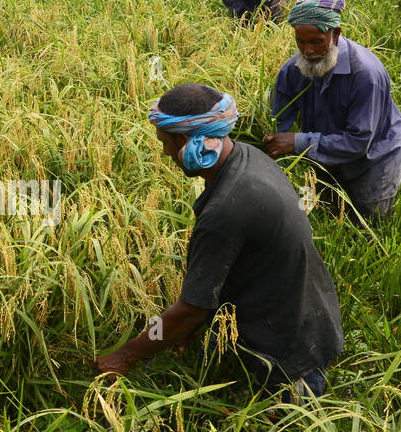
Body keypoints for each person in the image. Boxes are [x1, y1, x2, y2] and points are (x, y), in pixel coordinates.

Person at [93, 82, 343, 402]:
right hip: (310, 314)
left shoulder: (226, 209)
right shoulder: (247, 157)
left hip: (290, 357)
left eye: (166, 143)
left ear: (185, 141)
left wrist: (125, 356)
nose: (165, 153)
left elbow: (190, 310)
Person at [263, 0, 401, 224]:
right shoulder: (293, 70)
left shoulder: (366, 75)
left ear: (336, 34)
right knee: (310, 215)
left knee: (365, 226)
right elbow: (278, 121)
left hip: (373, 157)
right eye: (300, 42)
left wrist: (296, 142)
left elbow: (359, 142)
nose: (308, 50)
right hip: (323, 152)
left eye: (316, 41)